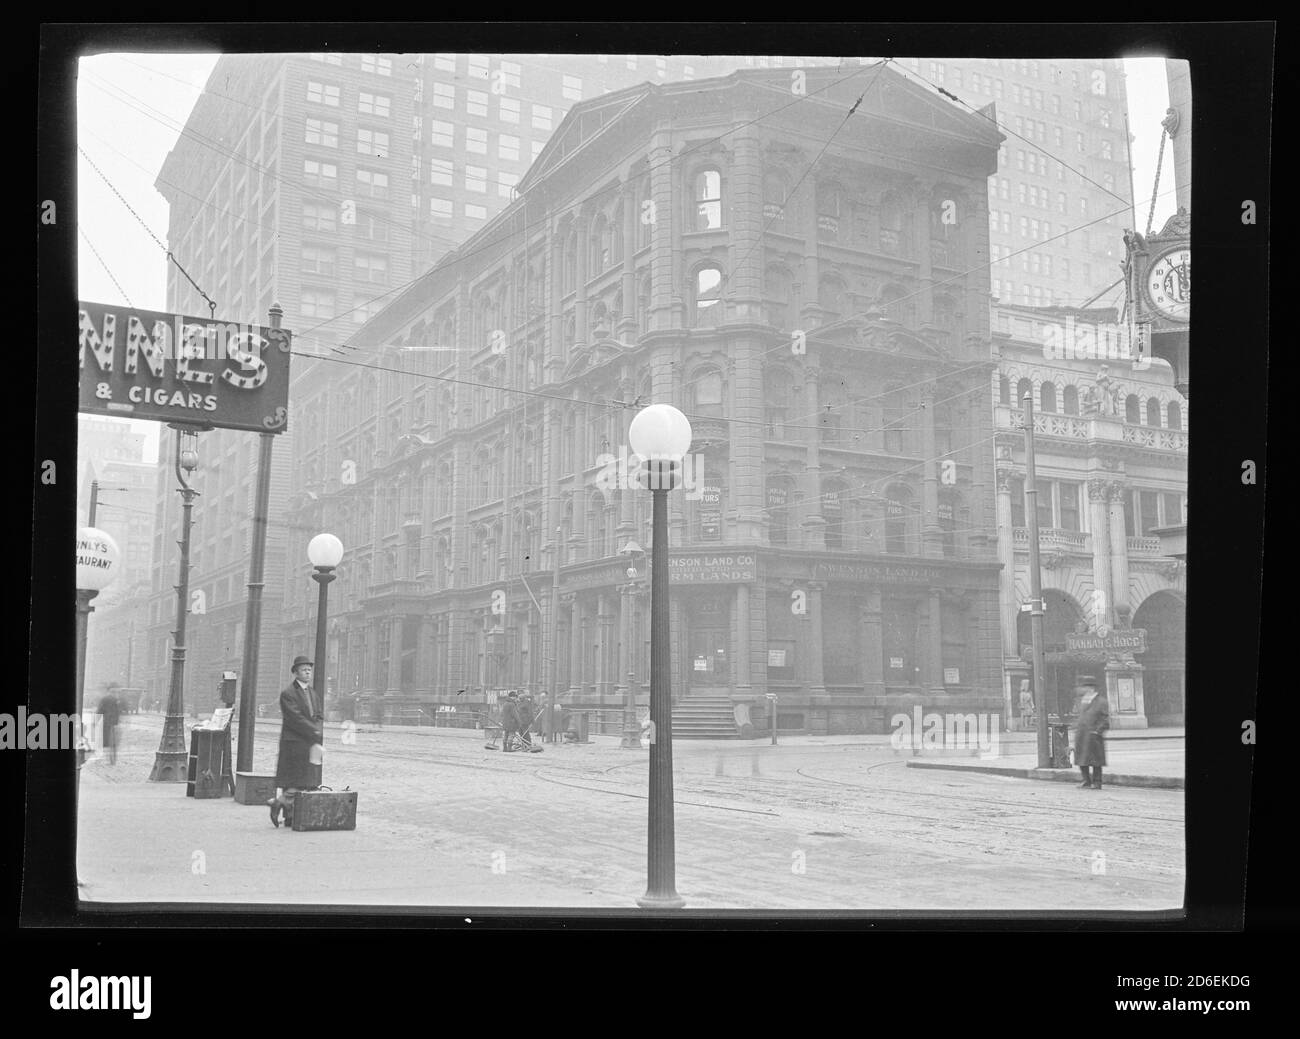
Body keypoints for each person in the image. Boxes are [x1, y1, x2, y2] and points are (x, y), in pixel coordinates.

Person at [269, 655, 323, 828]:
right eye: (303, 670)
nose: (307, 672)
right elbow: (294, 718)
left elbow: (319, 714)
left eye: (309, 670)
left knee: (305, 778)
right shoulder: (288, 693)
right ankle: (286, 810)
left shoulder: (312, 692)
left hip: (309, 741)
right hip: (294, 742)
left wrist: (318, 728)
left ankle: (289, 813)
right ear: (295, 673)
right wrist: (313, 730)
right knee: (295, 779)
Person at [1074, 679, 1110, 790]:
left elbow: (1106, 719)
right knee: (1081, 759)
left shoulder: (1101, 701)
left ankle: (1097, 782)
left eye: (1084, 687)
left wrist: (1098, 731)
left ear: (1091, 688)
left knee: (1096, 760)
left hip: (1093, 735)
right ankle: (1086, 780)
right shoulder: (1081, 700)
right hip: (1082, 734)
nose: (1082, 689)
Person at [96, 692, 121, 766]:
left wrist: (96, 720)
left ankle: (106, 757)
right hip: (113, 722)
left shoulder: (104, 699)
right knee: (112, 741)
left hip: (106, 721)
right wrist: (116, 721)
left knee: (104, 740)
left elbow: (100, 710)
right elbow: (118, 710)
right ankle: (113, 760)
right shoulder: (115, 699)